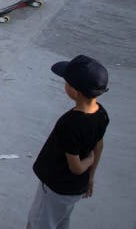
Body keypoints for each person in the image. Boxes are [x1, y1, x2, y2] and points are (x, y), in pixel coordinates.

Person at [27, 55, 110, 229]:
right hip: (74, 189)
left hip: (56, 188)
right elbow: (99, 146)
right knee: (61, 222)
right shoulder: (101, 114)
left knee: (37, 224)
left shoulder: (70, 123)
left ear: (74, 90)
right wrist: (91, 177)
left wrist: (90, 160)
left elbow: (76, 167)